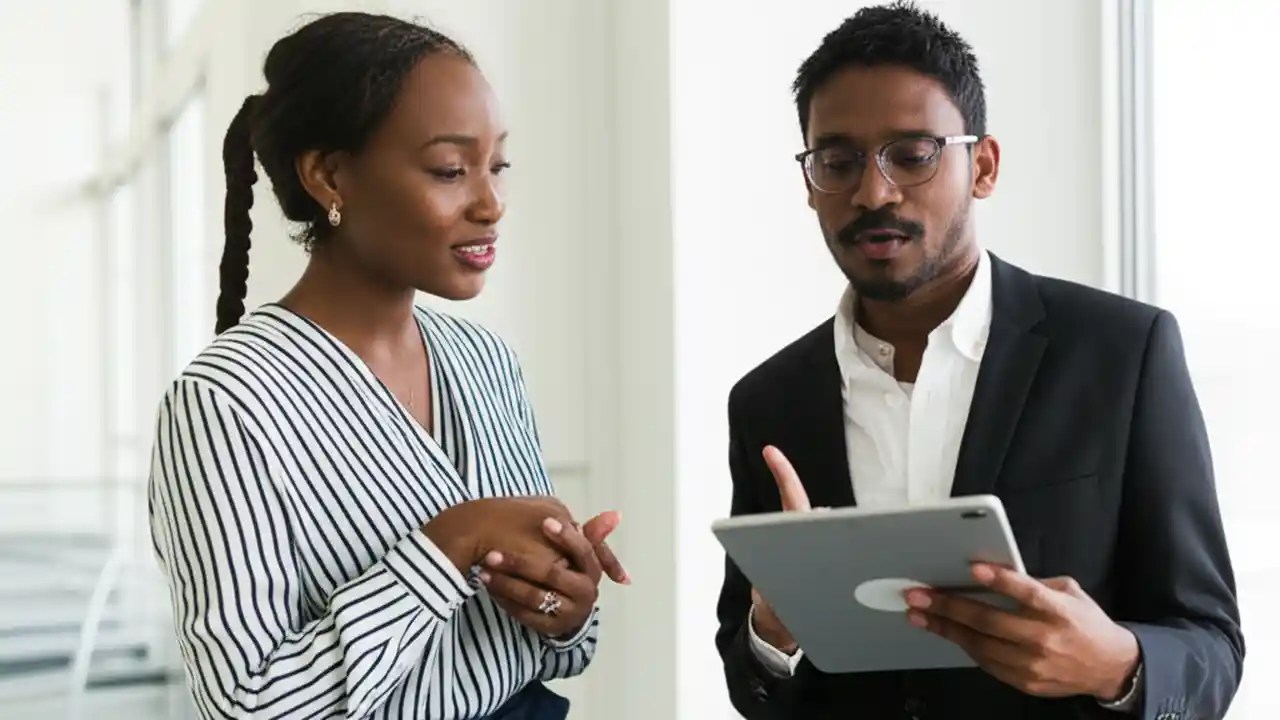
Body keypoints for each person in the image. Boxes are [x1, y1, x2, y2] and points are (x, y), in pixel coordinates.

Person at [715, 3, 1243, 719]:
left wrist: (1116, 664)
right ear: (811, 182)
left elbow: (1210, 643)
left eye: (912, 154)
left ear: (983, 166)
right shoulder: (768, 402)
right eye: (838, 163)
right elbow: (752, 680)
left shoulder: (1122, 354)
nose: (873, 192)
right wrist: (773, 635)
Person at [147, 13, 627, 720]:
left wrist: (566, 609)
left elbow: (555, 650)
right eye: (449, 170)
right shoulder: (226, 404)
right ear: (329, 176)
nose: (491, 204)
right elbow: (247, 703)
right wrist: (449, 542)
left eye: (497, 166)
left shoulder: (486, 362)